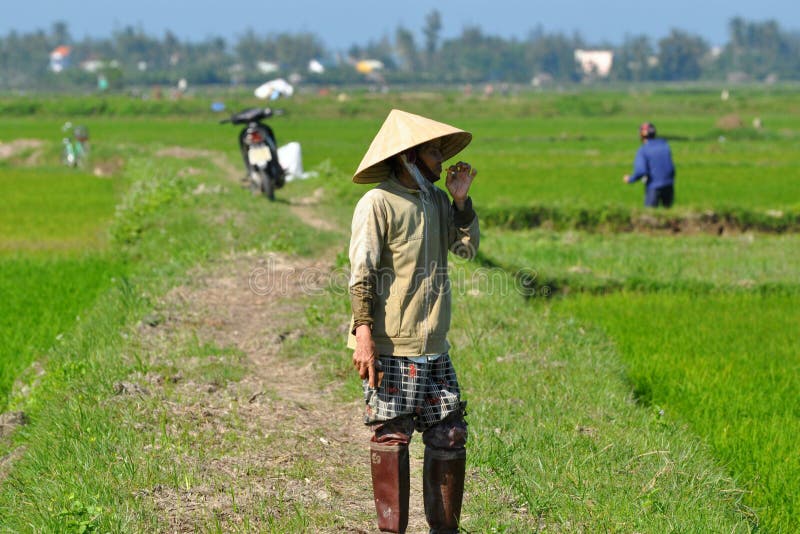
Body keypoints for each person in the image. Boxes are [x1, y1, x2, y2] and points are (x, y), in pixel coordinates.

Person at [348, 109, 480, 533]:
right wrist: (363, 336)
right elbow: (362, 274)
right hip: (392, 345)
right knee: (392, 439)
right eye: (433, 152)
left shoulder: (438, 201)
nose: (442, 160)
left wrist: (461, 201)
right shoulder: (377, 203)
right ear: (408, 156)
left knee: (450, 434)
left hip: (434, 347)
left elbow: (465, 250)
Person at [623, 122, 676, 207]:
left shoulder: (643, 150)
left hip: (654, 186)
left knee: (650, 214)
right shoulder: (665, 146)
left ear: (641, 135)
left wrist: (630, 179)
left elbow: (641, 171)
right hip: (669, 184)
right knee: (669, 213)